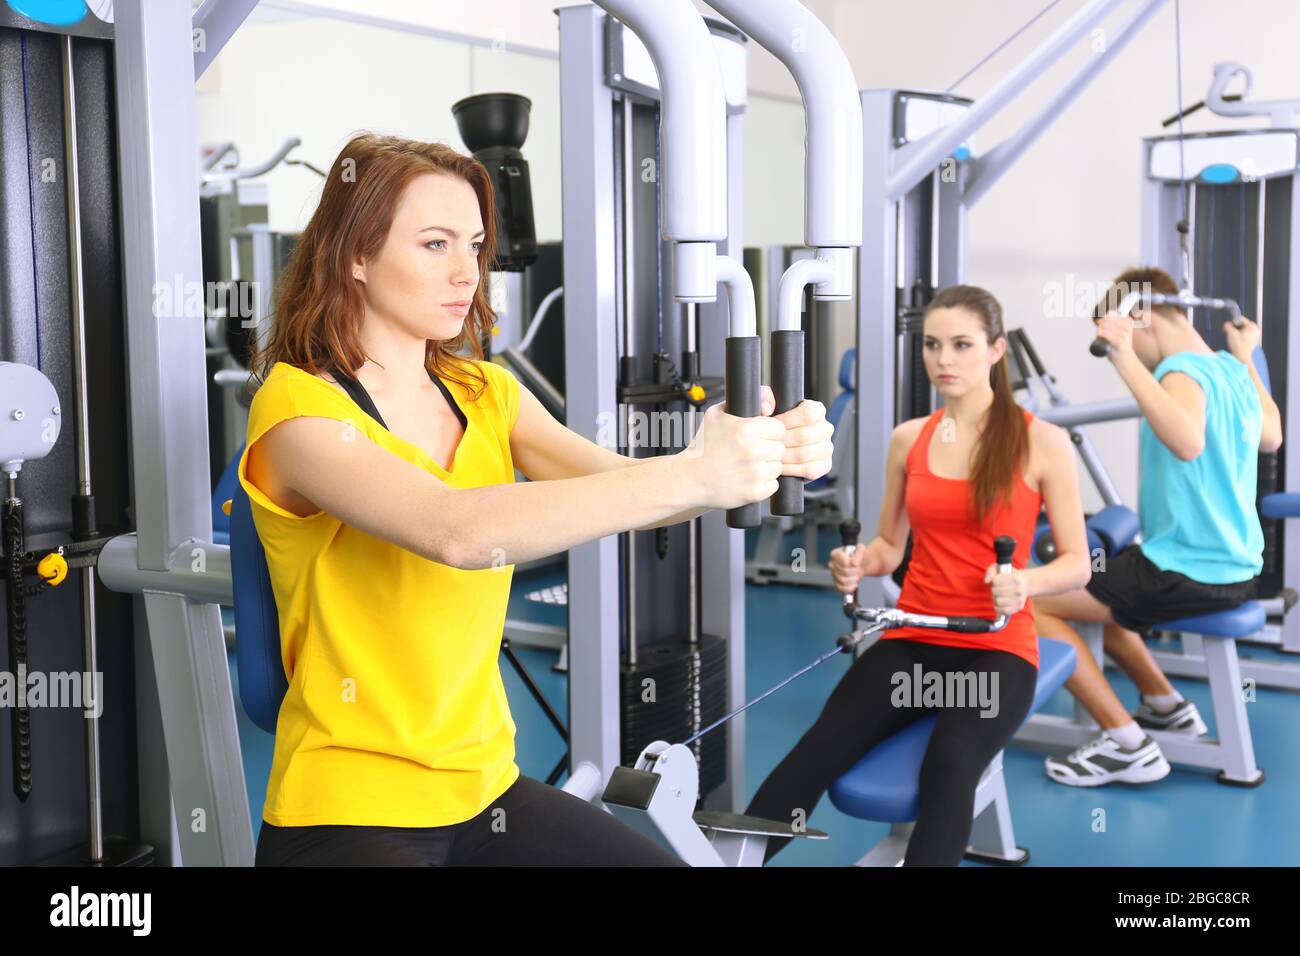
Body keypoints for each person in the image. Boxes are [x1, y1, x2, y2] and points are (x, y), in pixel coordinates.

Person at [238, 133, 834, 866]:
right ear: (355, 255)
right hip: (349, 809)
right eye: (434, 244)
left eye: (476, 244)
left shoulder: (486, 393)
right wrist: (698, 475)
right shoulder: (298, 411)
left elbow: (623, 488)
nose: (467, 271)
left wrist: (751, 456)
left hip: (486, 788)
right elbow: (454, 531)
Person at [746, 285, 1091, 866]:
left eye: (962, 344)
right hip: (914, 636)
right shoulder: (909, 438)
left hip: (997, 647)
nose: (944, 359)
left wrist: (1026, 584)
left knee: (953, 758)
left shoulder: (1042, 442)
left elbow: (1078, 564)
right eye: (933, 345)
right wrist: (857, 562)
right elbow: (887, 547)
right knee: (820, 746)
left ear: (996, 350)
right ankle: (731, 860)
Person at [1034, 267, 1283, 787]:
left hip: (1187, 571)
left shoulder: (1179, 371)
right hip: (1232, 568)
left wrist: (1123, 356)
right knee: (1105, 593)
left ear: (1138, 316)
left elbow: (1187, 441)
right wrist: (1246, 357)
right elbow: (1272, 436)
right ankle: (1164, 702)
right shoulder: (1230, 370)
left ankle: (1127, 744)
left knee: (1033, 604)